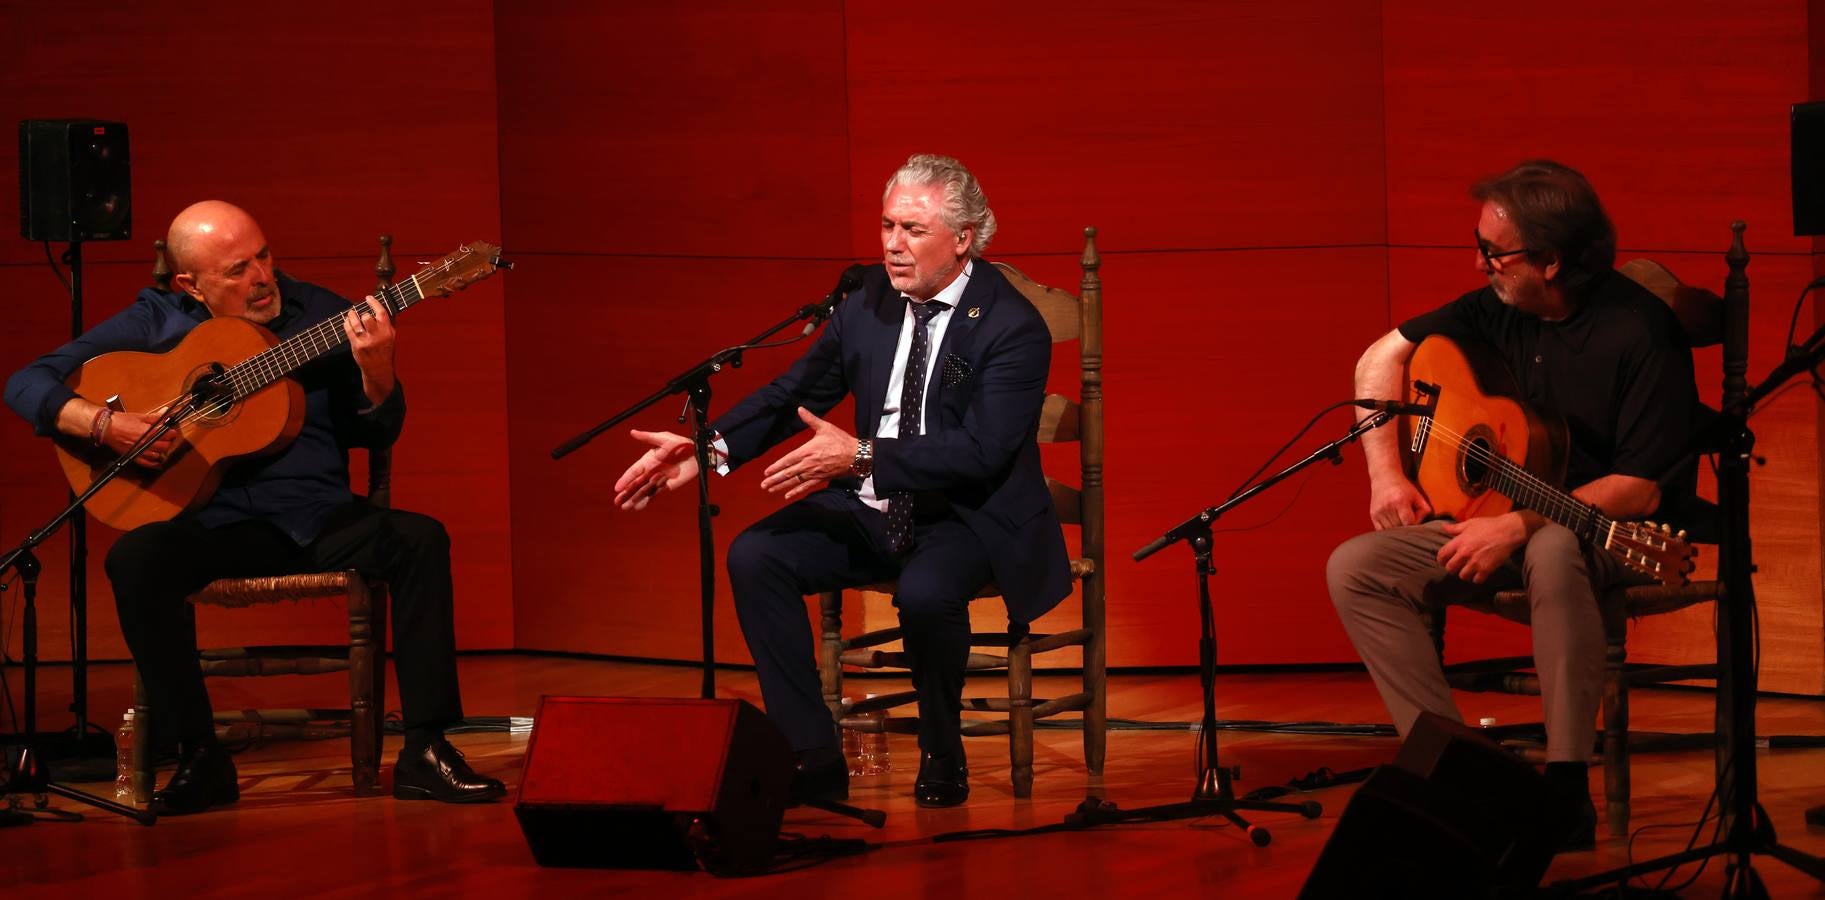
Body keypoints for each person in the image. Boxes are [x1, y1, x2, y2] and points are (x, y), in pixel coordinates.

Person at [4, 201, 504, 814]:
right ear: (190, 284)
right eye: (237, 270)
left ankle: (426, 749)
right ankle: (201, 758)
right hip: (212, 524)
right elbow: (25, 384)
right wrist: (106, 424)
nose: (262, 278)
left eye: (263, 256)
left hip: (314, 517)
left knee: (421, 538)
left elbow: (374, 432)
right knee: (135, 559)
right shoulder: (156, 320)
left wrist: (378, 372)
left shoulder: (324, 315)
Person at [615, 154, 1071, 807]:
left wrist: (861, 454)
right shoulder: (867, 304)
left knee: (924, 594)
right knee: (756, 556)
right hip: (873, 506)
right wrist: (706, 450)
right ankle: (813, 754)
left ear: (963, 238)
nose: (892, 244)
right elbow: (794, 393)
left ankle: (943, 750)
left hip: (965, 515)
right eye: (887, 225)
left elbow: (983, 451)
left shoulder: (1010, 325)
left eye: (912, 229)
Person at [1325, 160, 1698, 850]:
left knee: (1553, 545)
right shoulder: (1495, 309)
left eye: (1494, 252)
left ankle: (1564, 791)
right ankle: (1456, 774)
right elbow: (1379, 360)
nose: (1479, 264)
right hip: (1502, 522)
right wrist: (1387, 478)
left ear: (1551, 262)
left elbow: (1640, 487)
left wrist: (1515, 526)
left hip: (1615, 532)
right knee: (1356, 568)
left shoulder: (1640, 332)